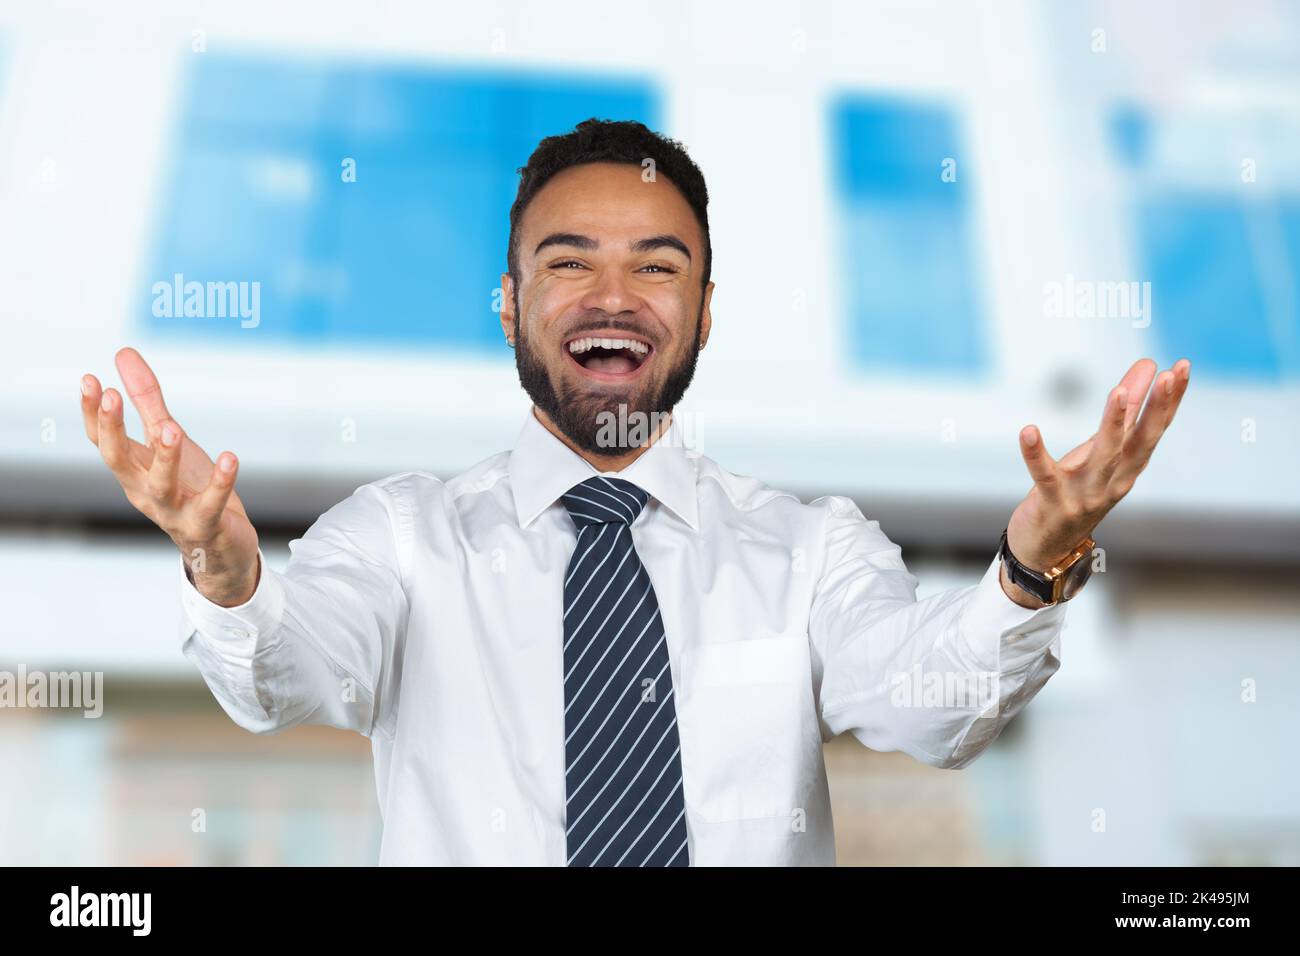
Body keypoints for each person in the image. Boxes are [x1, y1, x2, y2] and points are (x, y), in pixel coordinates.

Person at [79, 118, 1191, 866]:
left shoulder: (811, 547)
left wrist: (1033, 559)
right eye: (568, 263)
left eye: (658, 266)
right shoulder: (399, 537)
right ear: (511, 304)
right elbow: (286, 676)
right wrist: (224, 572)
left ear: (705, 311)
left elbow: (933, 706)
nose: (613, 295)